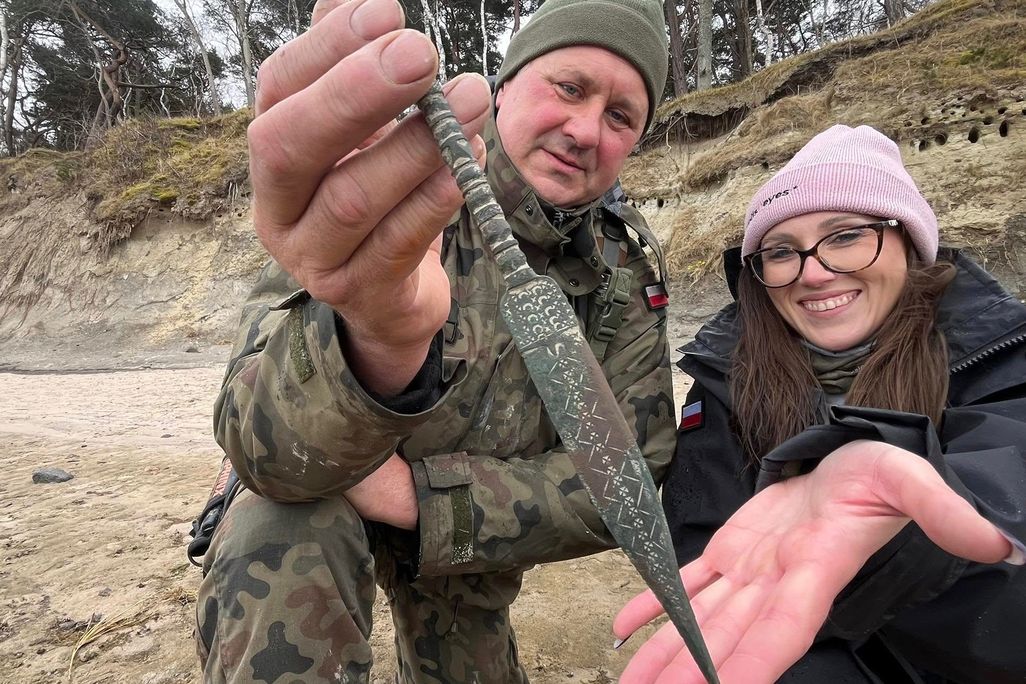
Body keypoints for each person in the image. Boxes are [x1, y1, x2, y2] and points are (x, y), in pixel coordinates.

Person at [194, 0, 678, 681]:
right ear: (505, 84)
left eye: (621, 115)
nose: (585, 130)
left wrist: (421, 499)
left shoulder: (621, 271)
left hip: (464, 548)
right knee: (275, 531)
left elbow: (626, 480)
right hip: (322, 501)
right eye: (570, 88)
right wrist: (373, 342)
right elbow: (260, 445)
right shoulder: (388, 182)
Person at [613, 125, 1026, 684]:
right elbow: (708, 555)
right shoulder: (723, 380)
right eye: (781, 251)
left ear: (908, 241)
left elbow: (1009, 467)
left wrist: (895, 529)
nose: (812, 270)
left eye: (846, 236)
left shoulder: (1003, 351)